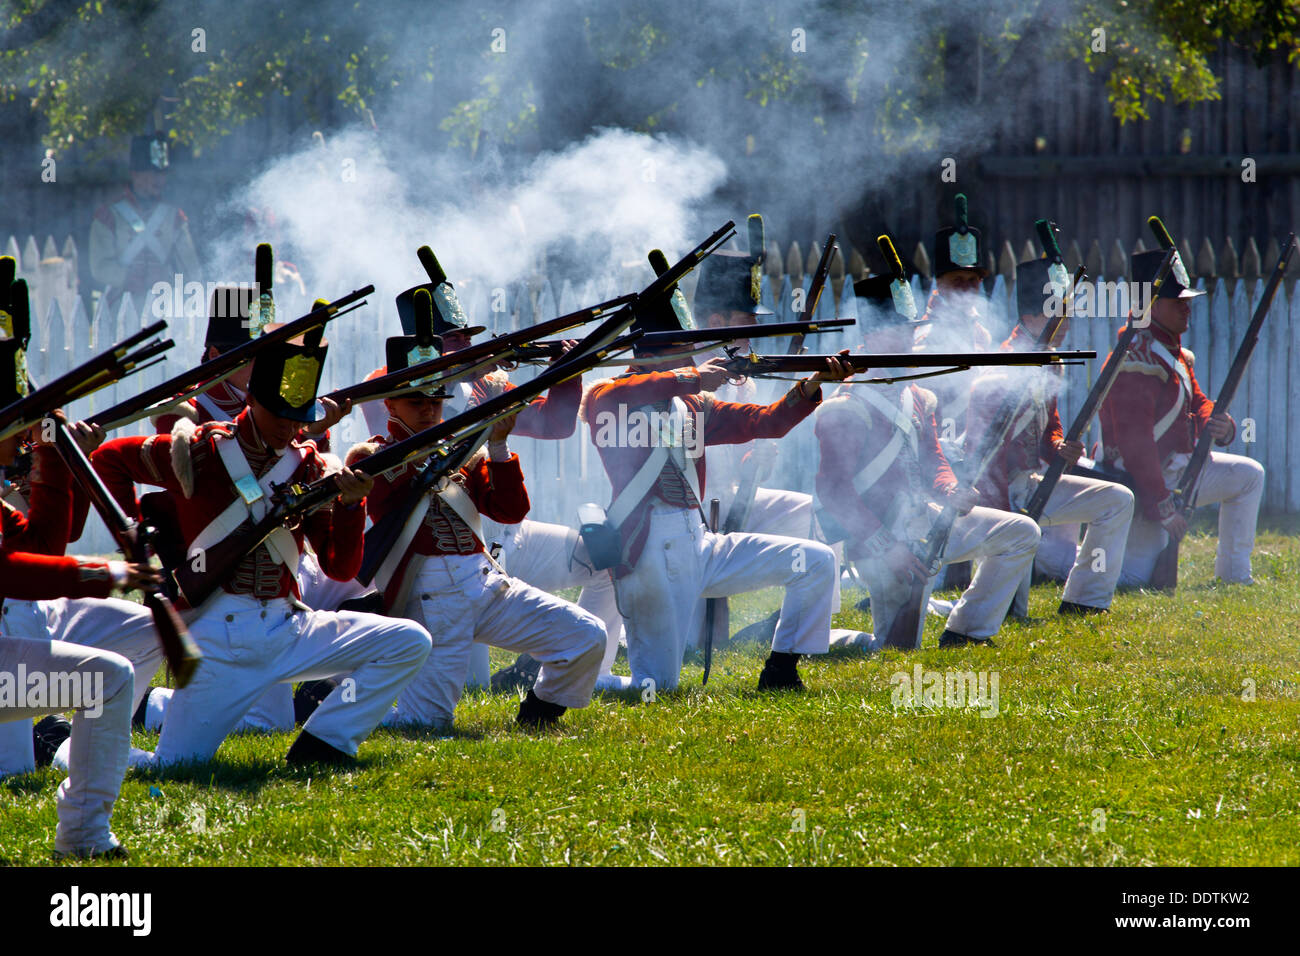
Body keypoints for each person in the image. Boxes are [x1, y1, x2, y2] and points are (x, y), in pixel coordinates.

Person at [91, 333, 432, 767]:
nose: (290, 427)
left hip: (288, 626)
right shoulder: (201, 450)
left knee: (408, 641)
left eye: (298, 418)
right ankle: (68, 753)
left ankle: (324, 745)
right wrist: (140, 541)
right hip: (219, 638)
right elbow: (107, 461)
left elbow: (341, 568)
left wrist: (351, 504)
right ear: (252, 400)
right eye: (281, 415)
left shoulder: (310, 465)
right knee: (174, 767)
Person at [583, 251, 854, 693]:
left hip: (700, 541)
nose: (689, 357)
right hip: (648, 552)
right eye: (680, 350)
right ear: (648, 351)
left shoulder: (694, 403)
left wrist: (812, 384)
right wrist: (689, 378)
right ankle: (595, 684)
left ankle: (782, 669)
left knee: (816, 562)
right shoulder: (608, 397)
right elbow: (631, 389)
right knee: (656, 688)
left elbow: (767, 421)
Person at [366, 254, 621, 694]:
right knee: (470, 686)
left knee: (606, 560)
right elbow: (389, 397)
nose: (466, 346)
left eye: (467, 337)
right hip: (442, 550)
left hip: (497, 534)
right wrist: (450, 368)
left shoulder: (486, 386)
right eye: (455, 340)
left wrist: (564, 373)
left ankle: (584, 674)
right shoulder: (391, 385)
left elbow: (555, 425)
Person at [815, 274, 1040, 649]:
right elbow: (836, 492)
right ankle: (824, 641)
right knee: (892, 648)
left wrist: (950, 486)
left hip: (923, 521)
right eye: (898, 331)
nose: (908, 340)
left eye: (910, 330)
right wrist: (887, 547)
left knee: (1021, 533)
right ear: (873, 336)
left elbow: (932, 457)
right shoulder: (847, 406)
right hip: (878, 542)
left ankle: (967, 629)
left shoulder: (917, 396)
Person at [966, 258, 1135, 614]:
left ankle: (1086, 600)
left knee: (1117, 500)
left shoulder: (1050, 359)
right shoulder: (1001, 368)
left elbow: (1049, 425)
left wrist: (1058, 444)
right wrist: (999, 512)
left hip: (1034, 482)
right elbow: (983, 451)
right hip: (1001, 492)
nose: (1066, 323)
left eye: (1067, 314)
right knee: (1010, 610)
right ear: (1029, 319)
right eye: (1055, 315)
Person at [1098, 249, 1264, 587]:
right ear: (1153, 305)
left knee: (1249, 475)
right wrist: (1162, 506)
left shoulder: (1173, 351)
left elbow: (1198, 400)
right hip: (1141, 480)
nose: (1187, 308)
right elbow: (1136, 443)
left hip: (1178, 467)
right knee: (1132, 579)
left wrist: (1219, 424)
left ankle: (1234, 576)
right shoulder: (1136, 360)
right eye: (1179, 302)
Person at [89, 134, 201, 313]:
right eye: (153, 172)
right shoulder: (109, 216)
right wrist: (127, 277)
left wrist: (171, 283)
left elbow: (190, 270)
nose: (159, 179)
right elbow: (99, 266)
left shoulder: (175, 217)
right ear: (136, 174)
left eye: (162, 173)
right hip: (121, 306)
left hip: (164, 306)